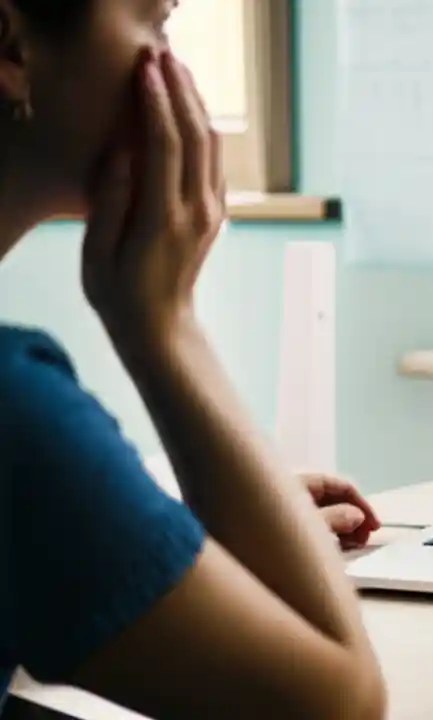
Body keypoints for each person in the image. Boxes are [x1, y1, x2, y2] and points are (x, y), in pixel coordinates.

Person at [0, 1, 386, 717]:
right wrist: (162, 321)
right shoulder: (16, 415)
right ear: (10, 46)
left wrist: (158, 530)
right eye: (156, 24)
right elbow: (344, 706)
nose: (177, 69)